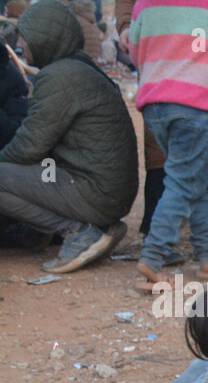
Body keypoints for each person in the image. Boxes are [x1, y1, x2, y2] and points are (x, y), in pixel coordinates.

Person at [0, 0, 136, 273]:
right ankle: (69, 229)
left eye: (25, 40)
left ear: (44, 39)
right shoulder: (76, 67)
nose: (21, 48)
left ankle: (78, 231)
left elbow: (29, 146)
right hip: (106, 189)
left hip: (95, 191)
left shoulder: (60, 78)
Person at [129, 0, 208, 292]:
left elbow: (136, 53)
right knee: (184, 181)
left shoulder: (144, 4)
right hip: (194, 107)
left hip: (155, 106)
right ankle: (152, 257)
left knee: (197, 178)